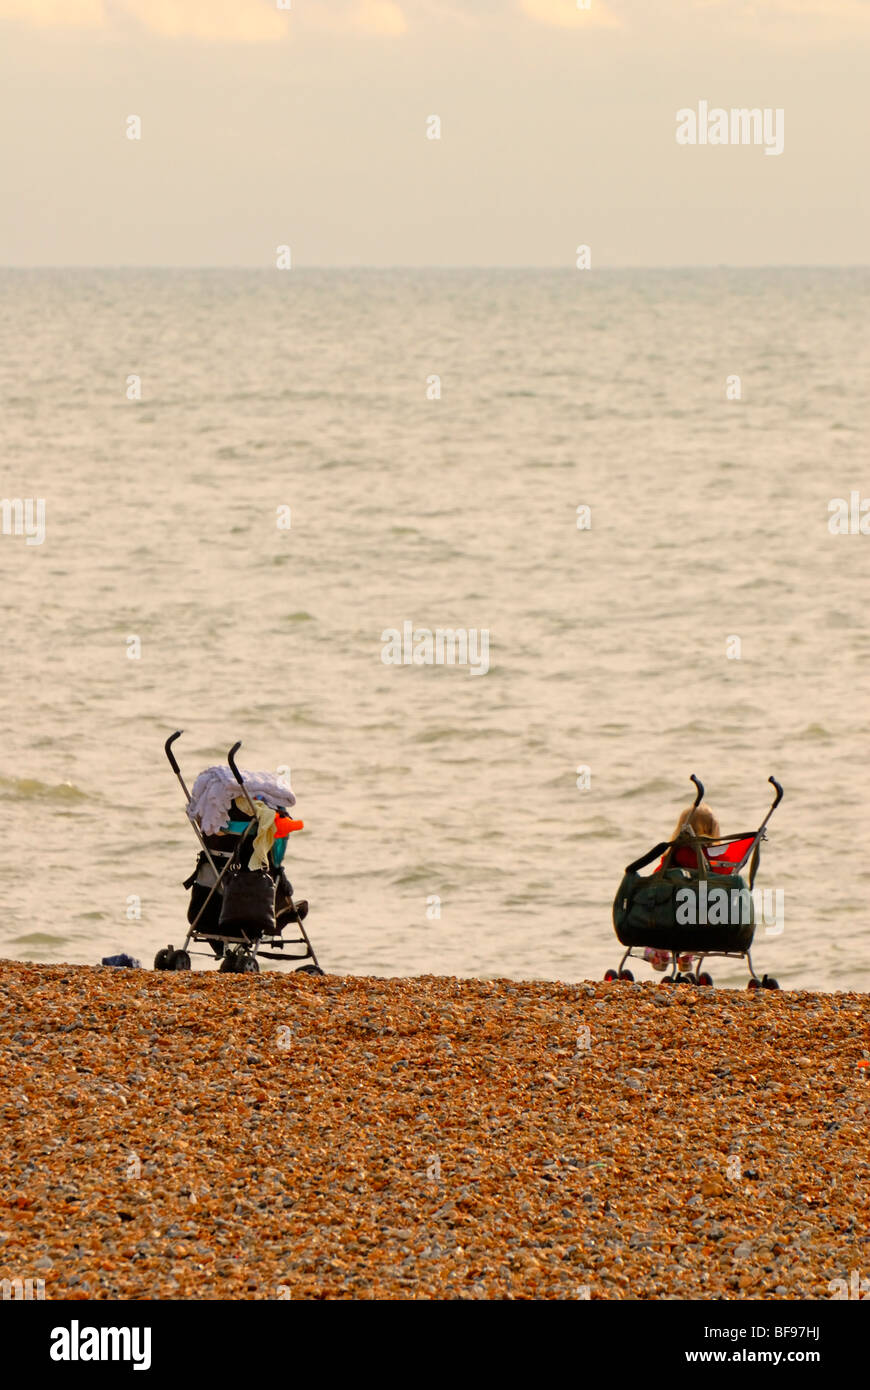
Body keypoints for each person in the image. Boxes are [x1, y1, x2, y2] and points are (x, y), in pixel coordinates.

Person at [644, 802, 722, 973]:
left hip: (674, 911)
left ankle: (658, 950)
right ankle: (687, 955)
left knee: (658, 908)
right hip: (705, 914)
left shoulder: (676, 852)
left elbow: (655, 878)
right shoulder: (715, 859)